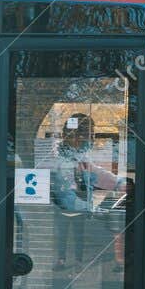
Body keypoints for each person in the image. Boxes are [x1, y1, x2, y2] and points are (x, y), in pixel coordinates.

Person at [52, 113, 119, 267]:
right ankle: (62, 259)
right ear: (73, 136)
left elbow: (95, 175)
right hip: (65, 207)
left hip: (80, 205)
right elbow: (65, 192)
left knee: (78, 235)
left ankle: (78, 260)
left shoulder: (82, 157)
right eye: (87, 135)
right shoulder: (63, 159)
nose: (90, 139)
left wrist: (118, 183)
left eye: (91, 134)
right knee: (62, 234)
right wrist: (92, 208)